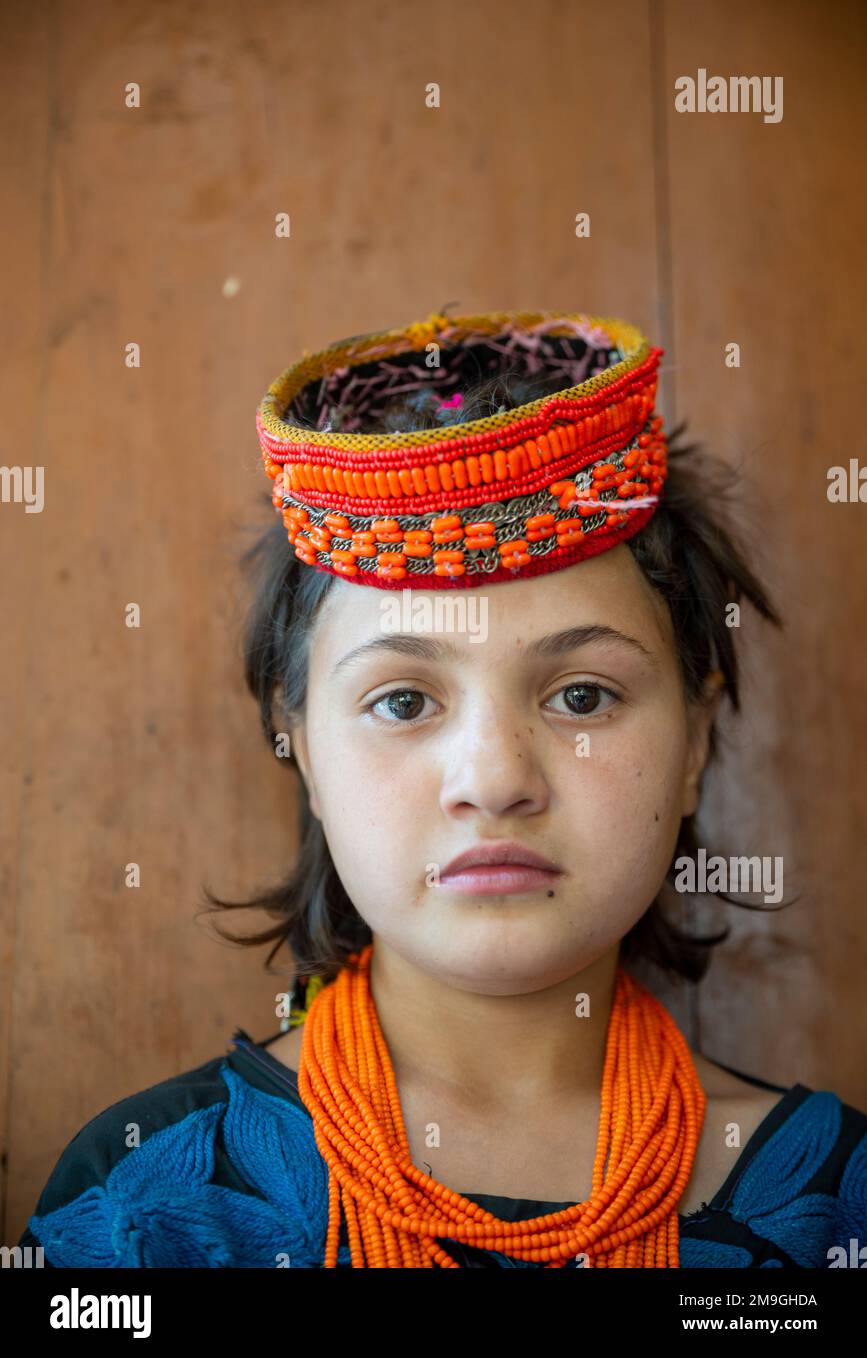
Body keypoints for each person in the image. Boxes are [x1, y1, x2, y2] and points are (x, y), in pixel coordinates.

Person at [18, 309, 867, 1268]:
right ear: (298, 747)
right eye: (402, 701)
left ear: (692, 746)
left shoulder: (837, 1211)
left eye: (581, 695)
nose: (494, 780)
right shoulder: (147, 1211)